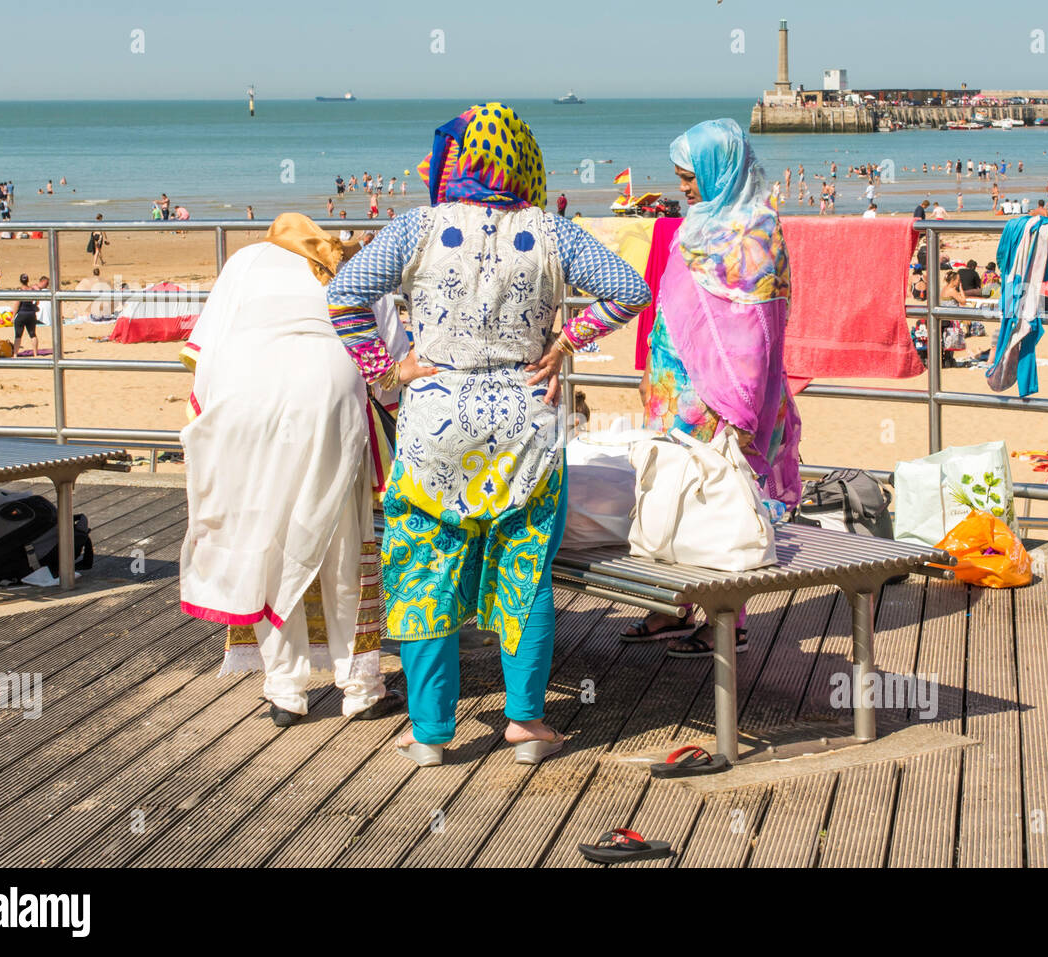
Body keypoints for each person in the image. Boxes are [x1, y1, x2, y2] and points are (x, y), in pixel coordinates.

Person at [327, 102, 651, 767]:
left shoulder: (420, 225)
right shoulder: (551, 231)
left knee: (426, 571)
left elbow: (342, 294)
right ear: (522, 160)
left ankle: (429, 731)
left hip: (434, 425)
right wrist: (564, 343)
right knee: (523, 574)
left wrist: (388, 371)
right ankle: (526, 723)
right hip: (525, 425)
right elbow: (631, 289)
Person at [180, 213, 404, 728]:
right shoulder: (358, 267)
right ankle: (362, 687)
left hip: (243, 408)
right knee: (344, 542)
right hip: (329, 403)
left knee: (264, 538)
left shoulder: (245, 261)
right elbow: (389, 373)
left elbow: (203, 353)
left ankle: (285, 689)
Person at [624, 118, 802, 657]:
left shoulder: (756, 230)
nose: (684, 187)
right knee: (668, 487)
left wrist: (730, 393)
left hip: (723, 389)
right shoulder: (697, 224)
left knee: (720, 493)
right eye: (680, 176)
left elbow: (758, 326)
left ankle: (731, 620)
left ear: (720, 169)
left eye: (690, 176)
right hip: (672, 375)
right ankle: (669, 605)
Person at [13, 273, 40, 357]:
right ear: (28, 280)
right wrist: (35, 305)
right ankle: (35, 353)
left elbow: (17, 304)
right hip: (31, 314)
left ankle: (15, 354)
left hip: (22, 313)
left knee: (18, 335)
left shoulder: (20, 291)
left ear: (20, 281)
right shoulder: (31, 290)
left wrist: (13, 315)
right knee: (33, 334)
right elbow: (37, 299)